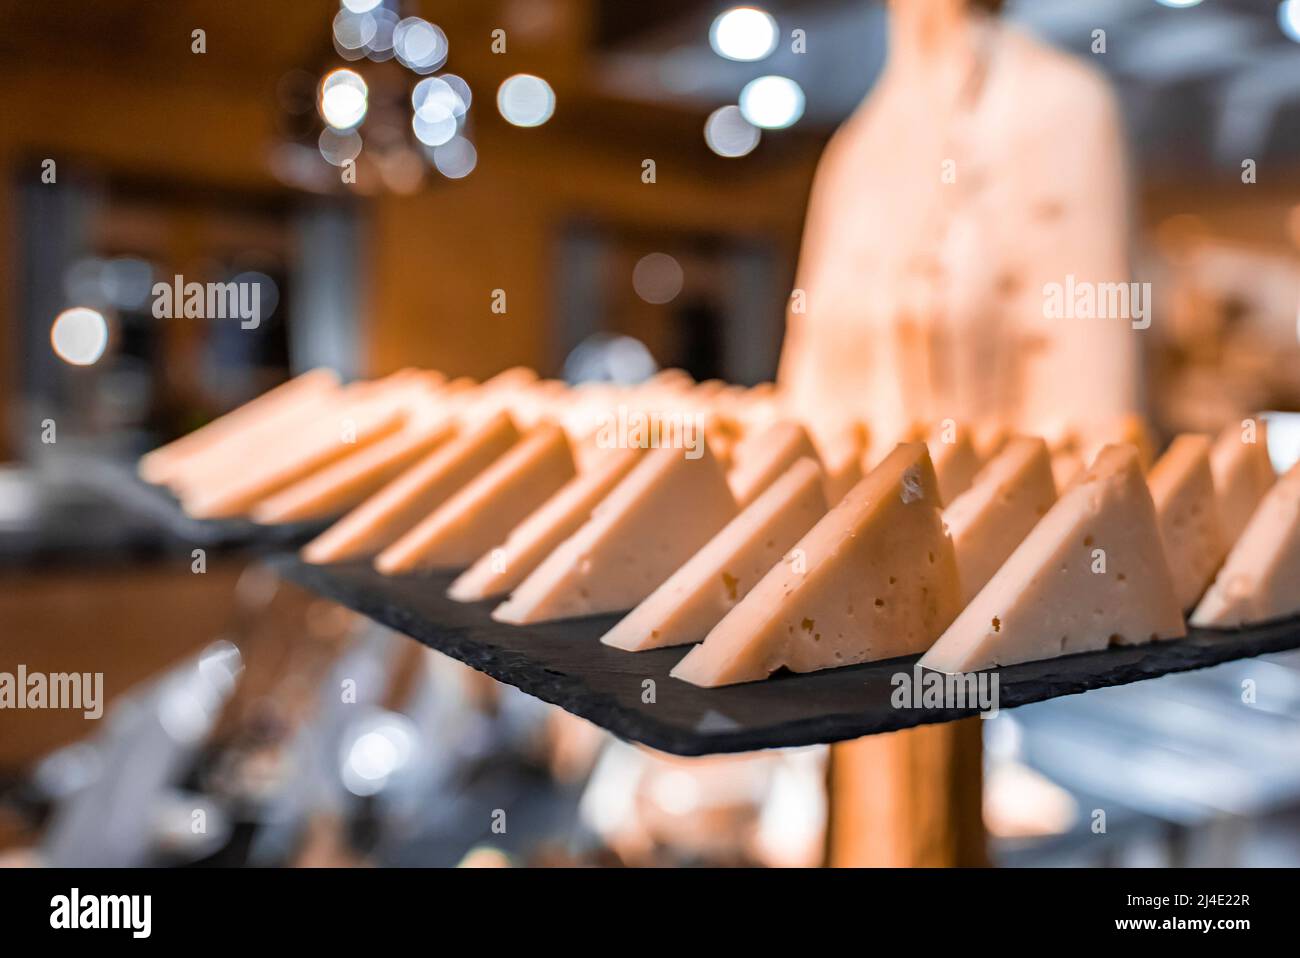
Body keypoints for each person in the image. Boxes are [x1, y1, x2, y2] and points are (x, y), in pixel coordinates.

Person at [778, 0, 1139, 459]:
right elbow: (807, 401)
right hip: (860, 520)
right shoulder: (854, 152)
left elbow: (1092, 423)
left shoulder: (1061, 108)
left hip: (1007, 522)